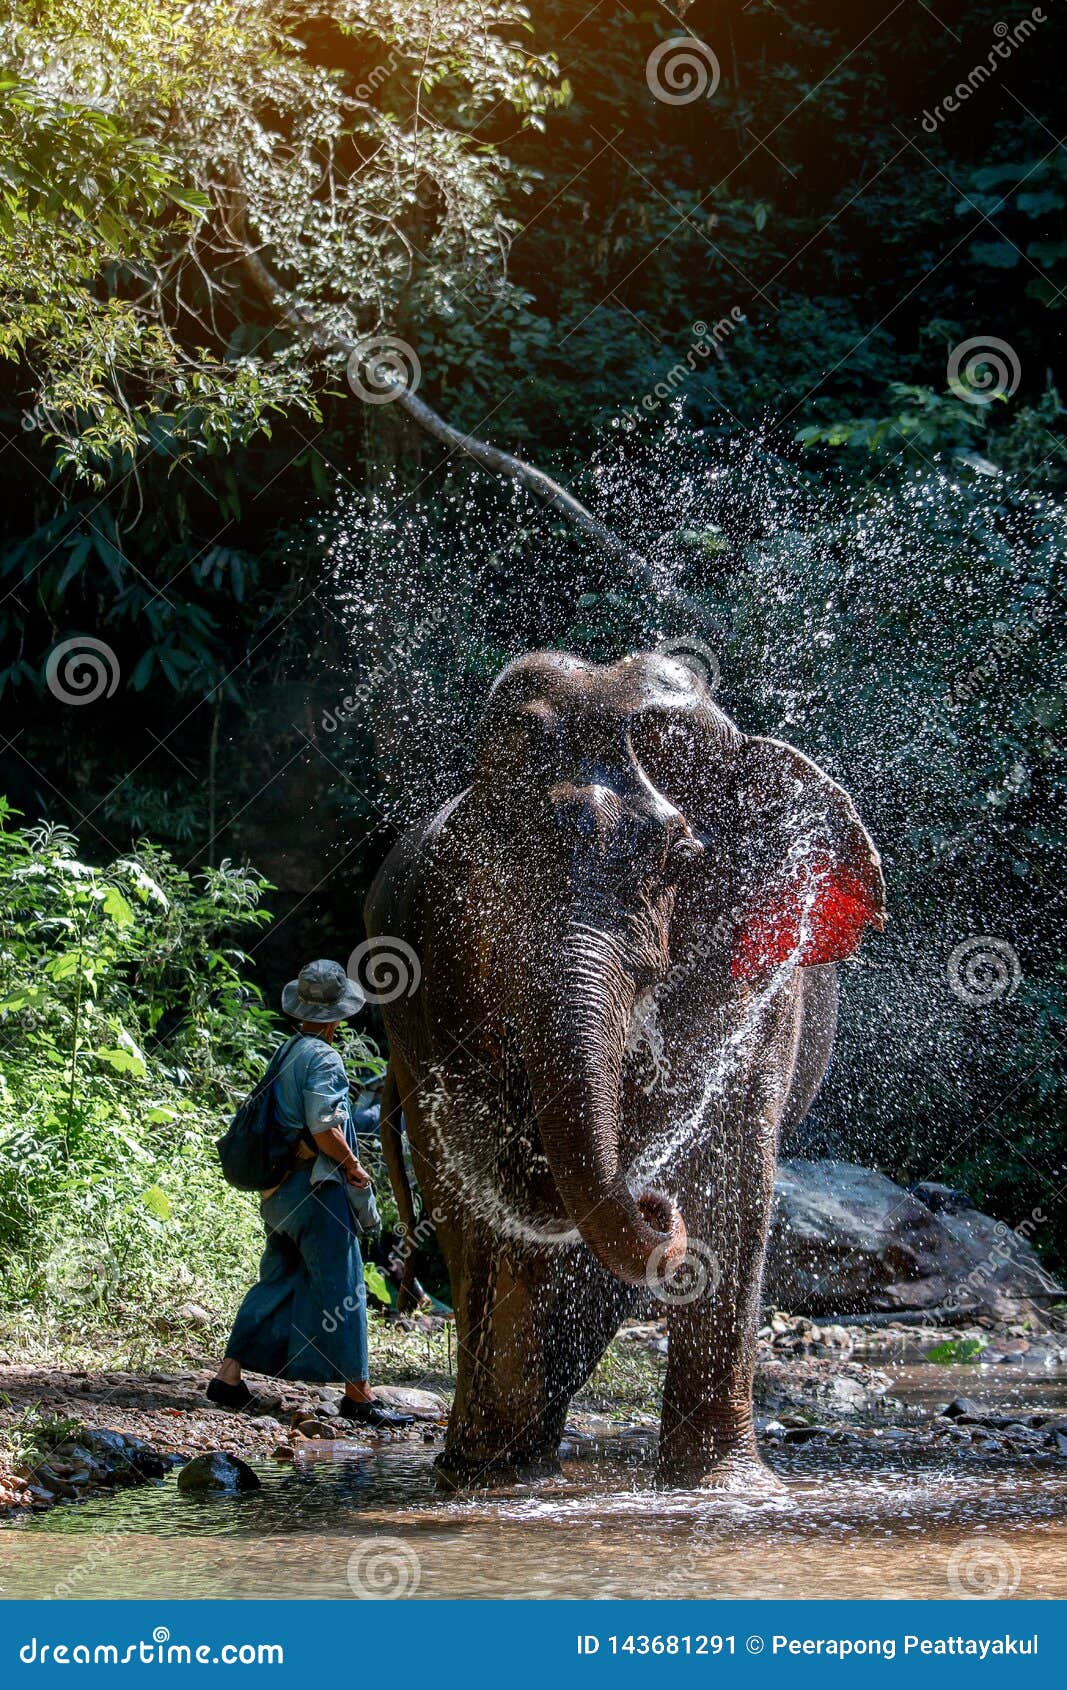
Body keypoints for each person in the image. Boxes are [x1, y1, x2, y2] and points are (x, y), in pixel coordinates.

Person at [207, 958, 413, 1429]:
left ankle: (228, 1378)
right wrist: (355, 1168)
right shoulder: (324, 1057)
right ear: (337, 1015)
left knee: (277, 1280)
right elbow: (324, 1126)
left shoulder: (288, 1050)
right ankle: (359, 1397)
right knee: (346, 1284)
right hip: (316, 1191)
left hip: (278, 1193)